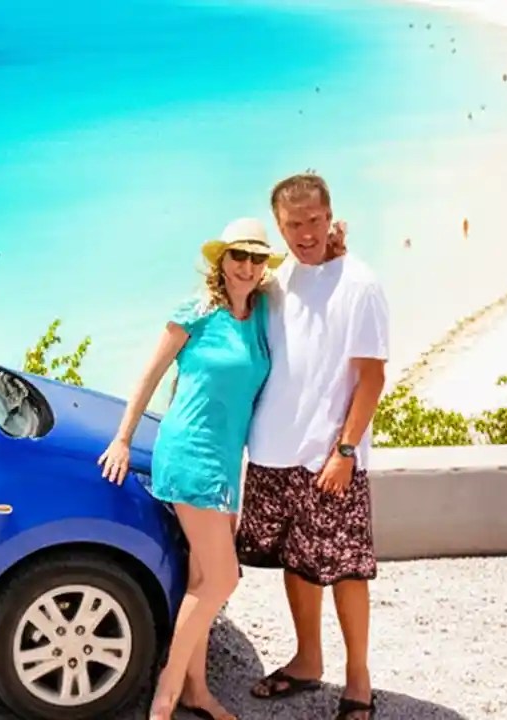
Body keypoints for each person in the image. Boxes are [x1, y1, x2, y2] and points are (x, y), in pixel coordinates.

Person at [98, 216, 285, 720]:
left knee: (203, 577)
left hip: (227, 464)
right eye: (237, 256)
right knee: (223, 579)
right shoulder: (196, 314)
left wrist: (332, 243)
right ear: (220, 260)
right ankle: (166, 692)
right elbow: (150, 375)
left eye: (256, 258)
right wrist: (122, 438)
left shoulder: (263, 315)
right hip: (188, 454)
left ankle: (197, 691)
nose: (246, 267)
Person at [235, 172, 389, 720]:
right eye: (293, 224)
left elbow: (371, 378)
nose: (305, 233)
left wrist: (344, 452)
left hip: (331, 458)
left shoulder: (360, 284)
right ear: (279, 227)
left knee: (347, 568)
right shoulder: (276, 285)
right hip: (273, 451)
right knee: (296, 563)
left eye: (314, 221)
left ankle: (359, 679)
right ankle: (307, 660)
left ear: (331, 218)